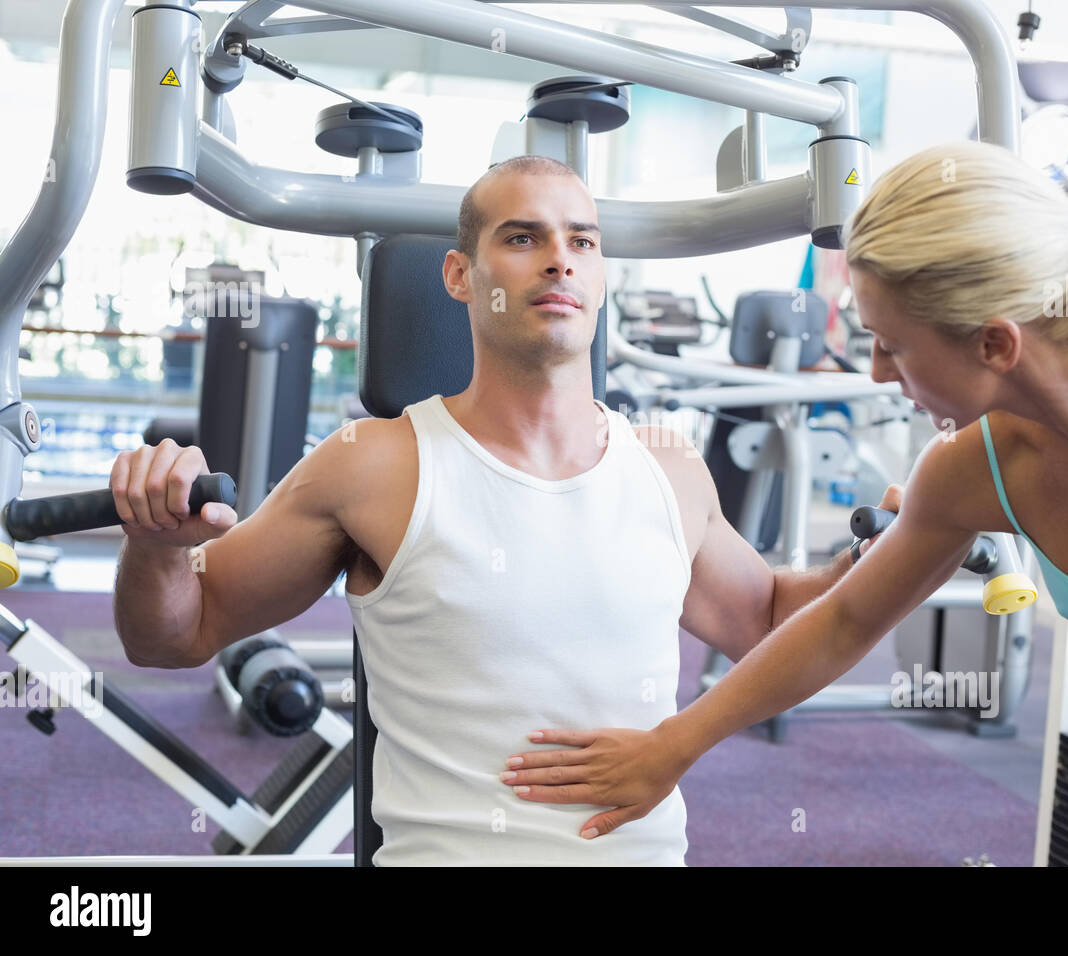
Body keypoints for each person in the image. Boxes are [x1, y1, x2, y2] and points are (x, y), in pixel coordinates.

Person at [502, 140, 1068, 867]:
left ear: (995, 344)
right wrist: (672, 745)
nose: (880, 372)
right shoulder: (976, 468)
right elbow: (846, 621)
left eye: (895, 344)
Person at [109, 154, 876, 865]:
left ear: (601, 275)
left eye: (582, 240)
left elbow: (771, 622)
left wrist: (881, 558)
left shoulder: (668, 467)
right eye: (522, 236)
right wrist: (156, 548)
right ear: (460, 275)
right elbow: (179, 635)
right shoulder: (374, 463)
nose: (559, 258)